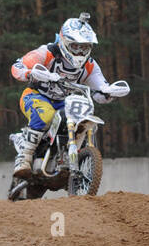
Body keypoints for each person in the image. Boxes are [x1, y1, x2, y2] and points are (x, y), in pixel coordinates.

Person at [10, 14, 127, 178]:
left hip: (65, 102)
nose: (80, 51)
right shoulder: (47, 52)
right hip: (36, 95)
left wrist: (109, 93)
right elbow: (17, 67)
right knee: (45, 115)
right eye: (76, 46)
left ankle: (69, 156)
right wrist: (30, 73)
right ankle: (24, 157)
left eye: (84, 47)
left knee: (83, 118)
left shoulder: (89, 65)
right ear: (64, 42)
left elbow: (100, 91)